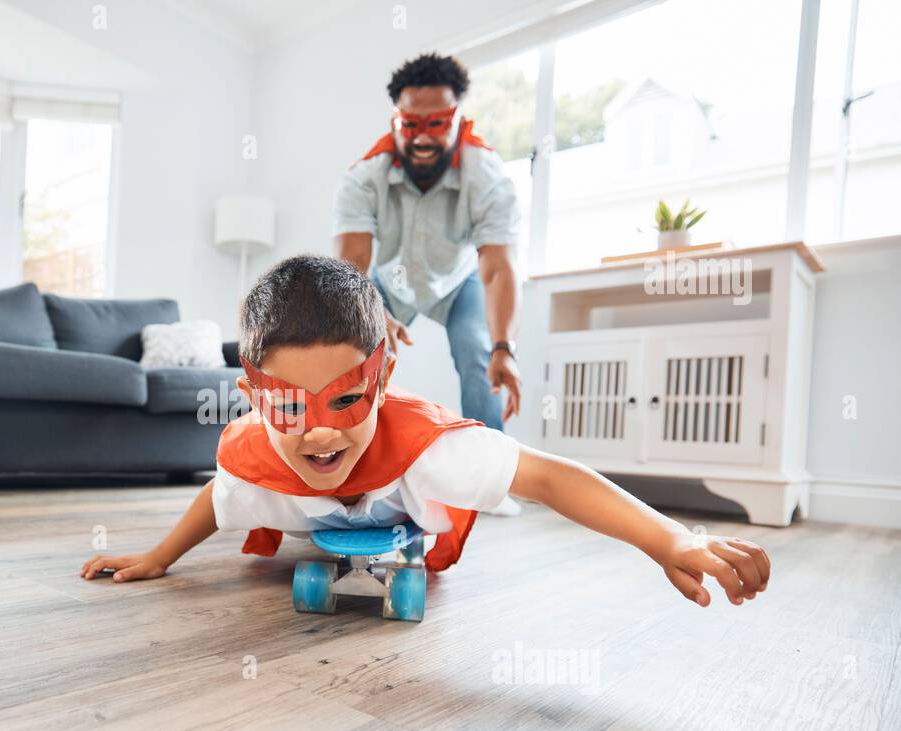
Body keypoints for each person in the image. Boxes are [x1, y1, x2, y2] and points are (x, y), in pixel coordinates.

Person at [80, 254, 770, 612]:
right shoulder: (257, 455)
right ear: (254, 400)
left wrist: (672, 539)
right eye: (290, 407)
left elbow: (552, 477)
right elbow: (218, 497)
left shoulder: (432, 452)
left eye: (346, 398)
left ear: (381, 380)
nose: (319, 431)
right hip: (308, 510)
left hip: (406, 498)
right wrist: (159, 556)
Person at [334, 52, 524, 515]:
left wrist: (505, 348)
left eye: (436, 123)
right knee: (362, 354)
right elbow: (352, 263)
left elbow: (497, 267)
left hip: (459, 282)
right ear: (396, 118)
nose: (421, 135)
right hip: (389, 281)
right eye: (410, 122)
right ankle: (363, 474)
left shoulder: (488, 176)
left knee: (478, 353)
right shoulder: (364, 176)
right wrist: (373, 314)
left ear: (458, 118)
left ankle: (490, 482)